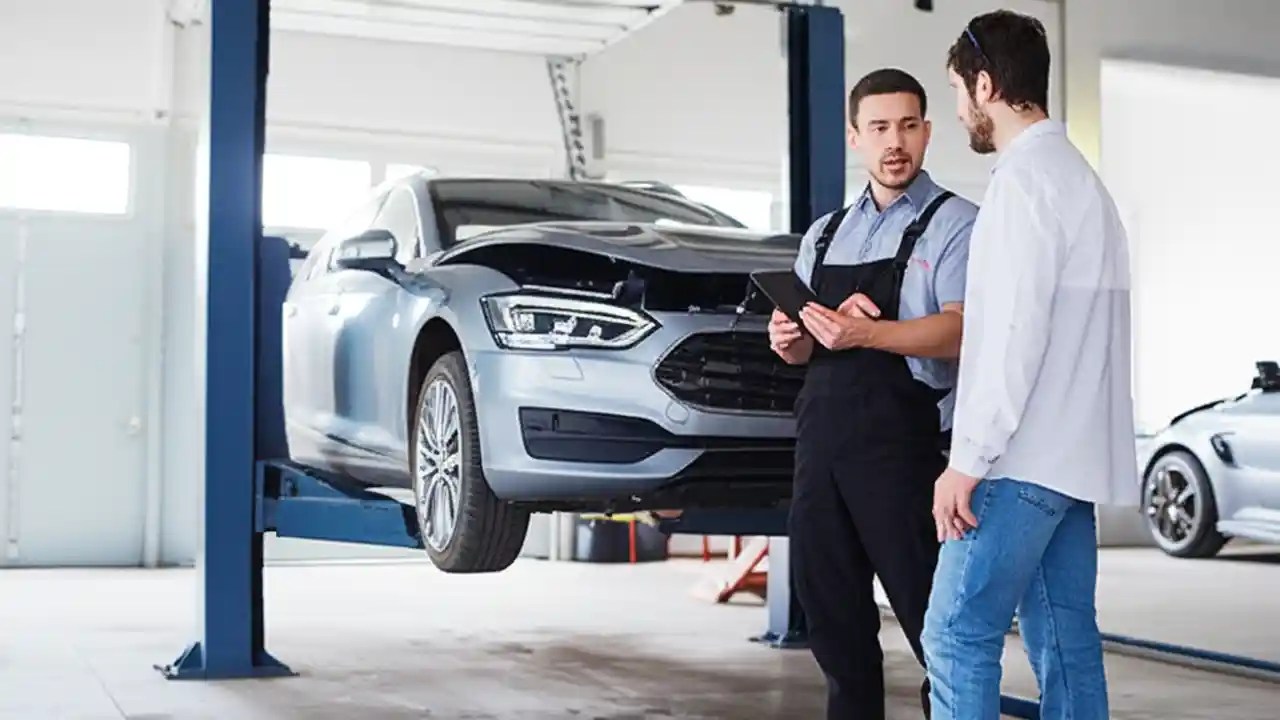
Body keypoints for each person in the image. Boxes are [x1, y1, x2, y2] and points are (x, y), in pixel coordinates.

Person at [922, 10, 1138, 720]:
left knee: (955, 636)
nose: (958, 111)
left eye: (958, 92)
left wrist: (968, 460)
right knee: (1065, 643)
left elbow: (1013, 337)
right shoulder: (1082, 182)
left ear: (986, 85)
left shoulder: (1022, 187)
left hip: (1017, 462)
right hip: (1070, 468)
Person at [767, 68, 978, 720]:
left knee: (929, 615)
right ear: (855, 136)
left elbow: (959, 330)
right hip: (821, 447)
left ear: (927, 131)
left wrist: (868, 332)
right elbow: (804, 349)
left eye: (909, 126)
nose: (896, 143)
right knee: (832, 616)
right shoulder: (824, 234)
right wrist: (788, 336)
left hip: (902, 449)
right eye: (880, 128)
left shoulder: (957, 224)